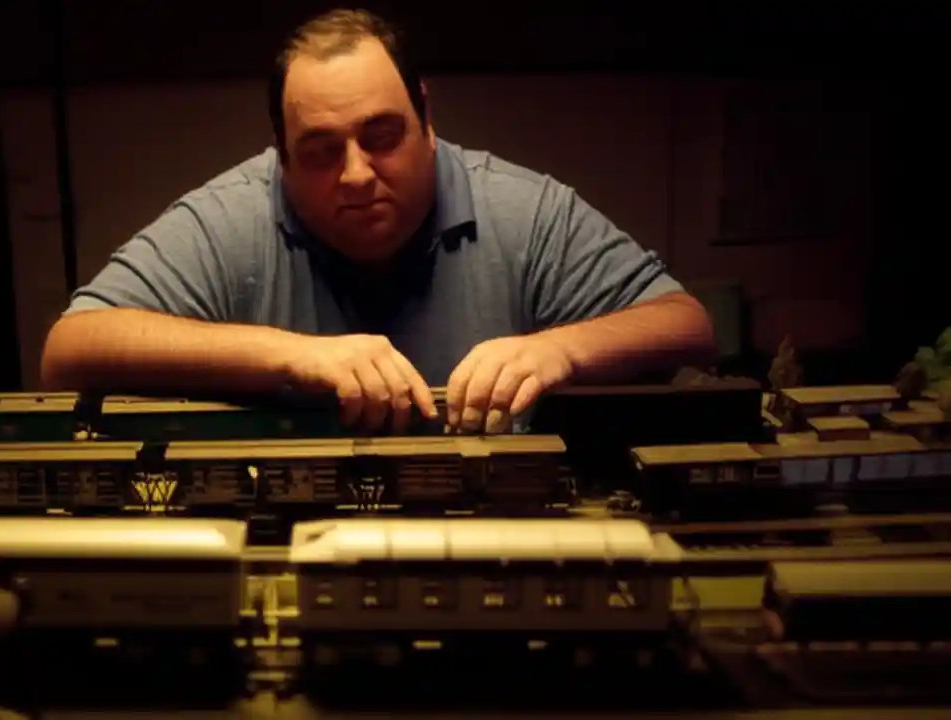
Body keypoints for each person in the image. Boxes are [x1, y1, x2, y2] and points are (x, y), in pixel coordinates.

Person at [41, 9, 715, 434]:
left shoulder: (523, 210)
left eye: (382, 136)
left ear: (427, 115)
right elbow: (71, 348)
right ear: (280, 154)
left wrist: (559, 349)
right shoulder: (233, 215)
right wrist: (294, 355)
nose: (357, 173)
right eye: (321, 151)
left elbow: (686, 324)